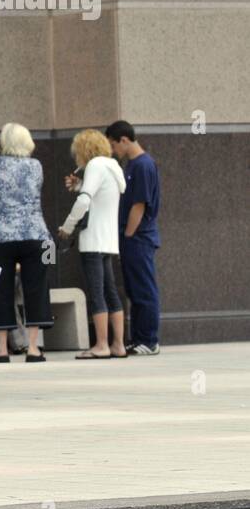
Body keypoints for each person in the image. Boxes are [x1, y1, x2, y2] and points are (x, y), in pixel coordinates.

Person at [0, 123, 53, 363]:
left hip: (1, 237)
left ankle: (2, 349)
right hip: (39, 237)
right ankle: (34, 348)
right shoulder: (37, 166)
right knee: (37, 287)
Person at [57, 129, 126, 359]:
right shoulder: (113, 166)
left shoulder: (95, 165)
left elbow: (85, 200)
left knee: (96, 293)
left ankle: (101, 345)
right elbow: (101, 197)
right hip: (109, 241)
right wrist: (79, 185)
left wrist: (67, 227)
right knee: (111, 291)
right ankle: (118, 345)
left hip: (93, 239)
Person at [106, 121, 162, 354]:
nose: (113, 151)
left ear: (124, 140)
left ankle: (148, 340)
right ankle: (139, 338)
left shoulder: (142, 165)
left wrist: (128, 235)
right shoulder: (132, 165)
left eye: (113, 145)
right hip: (133, 237)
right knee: (134, 289)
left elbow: (139, 205)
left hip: (139, 237)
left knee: (143, 289)